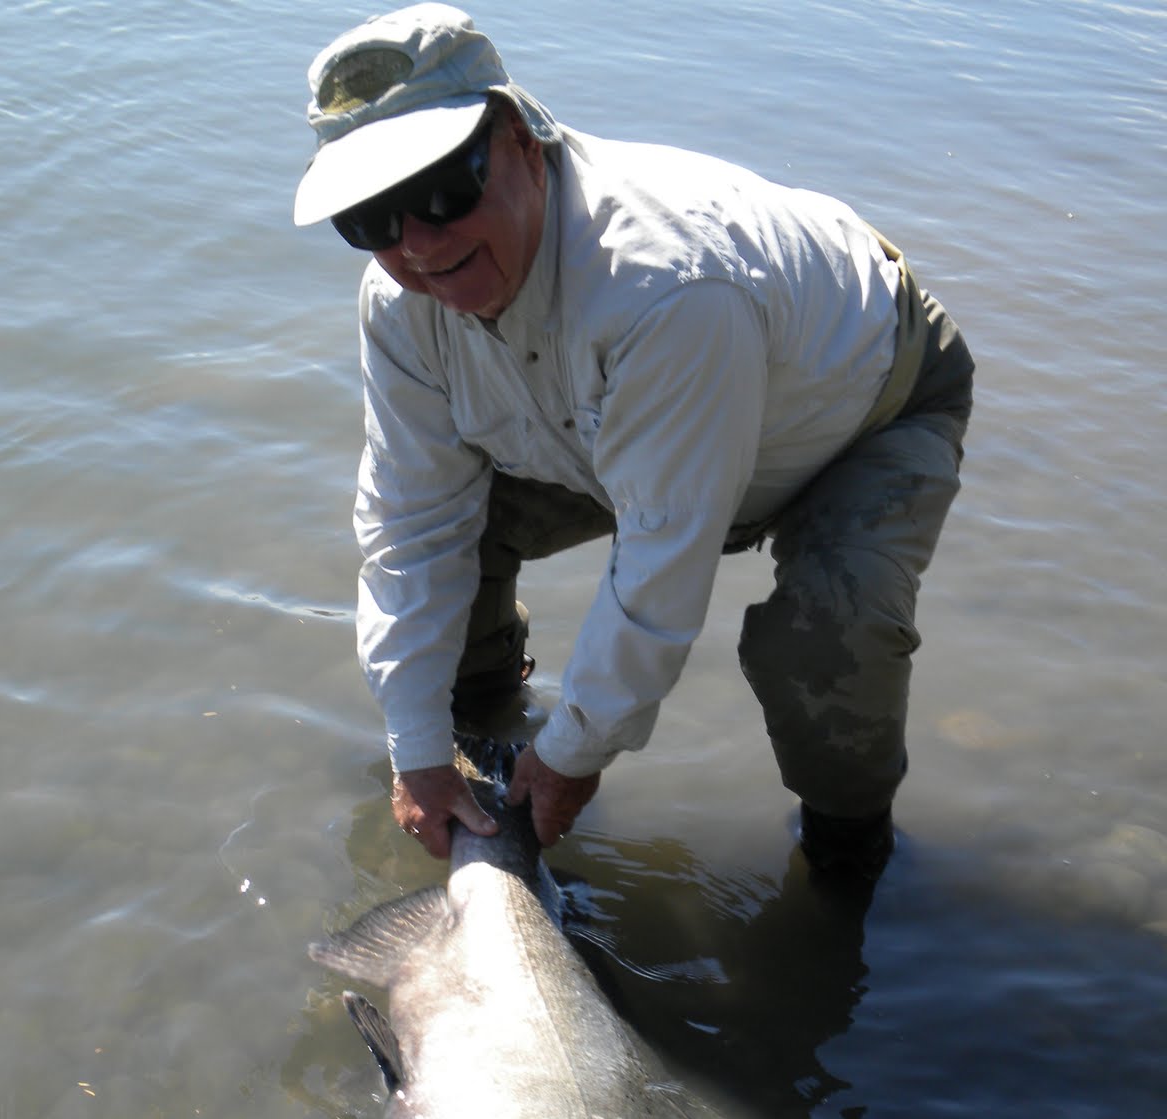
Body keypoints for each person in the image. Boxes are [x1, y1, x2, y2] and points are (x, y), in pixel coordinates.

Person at [294, 4, 973, 881]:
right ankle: (490, 746)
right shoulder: (400, 306)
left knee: (824, 645)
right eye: (372, 220)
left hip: (862, 409)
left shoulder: (664, 288)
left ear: (520, 141)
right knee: (457, 561)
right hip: (617, 430)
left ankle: (849, 872)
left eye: (441, 192)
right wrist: (417, 748)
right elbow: (411, 525)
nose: (418, 246)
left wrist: (577, 751)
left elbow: (661, 564)